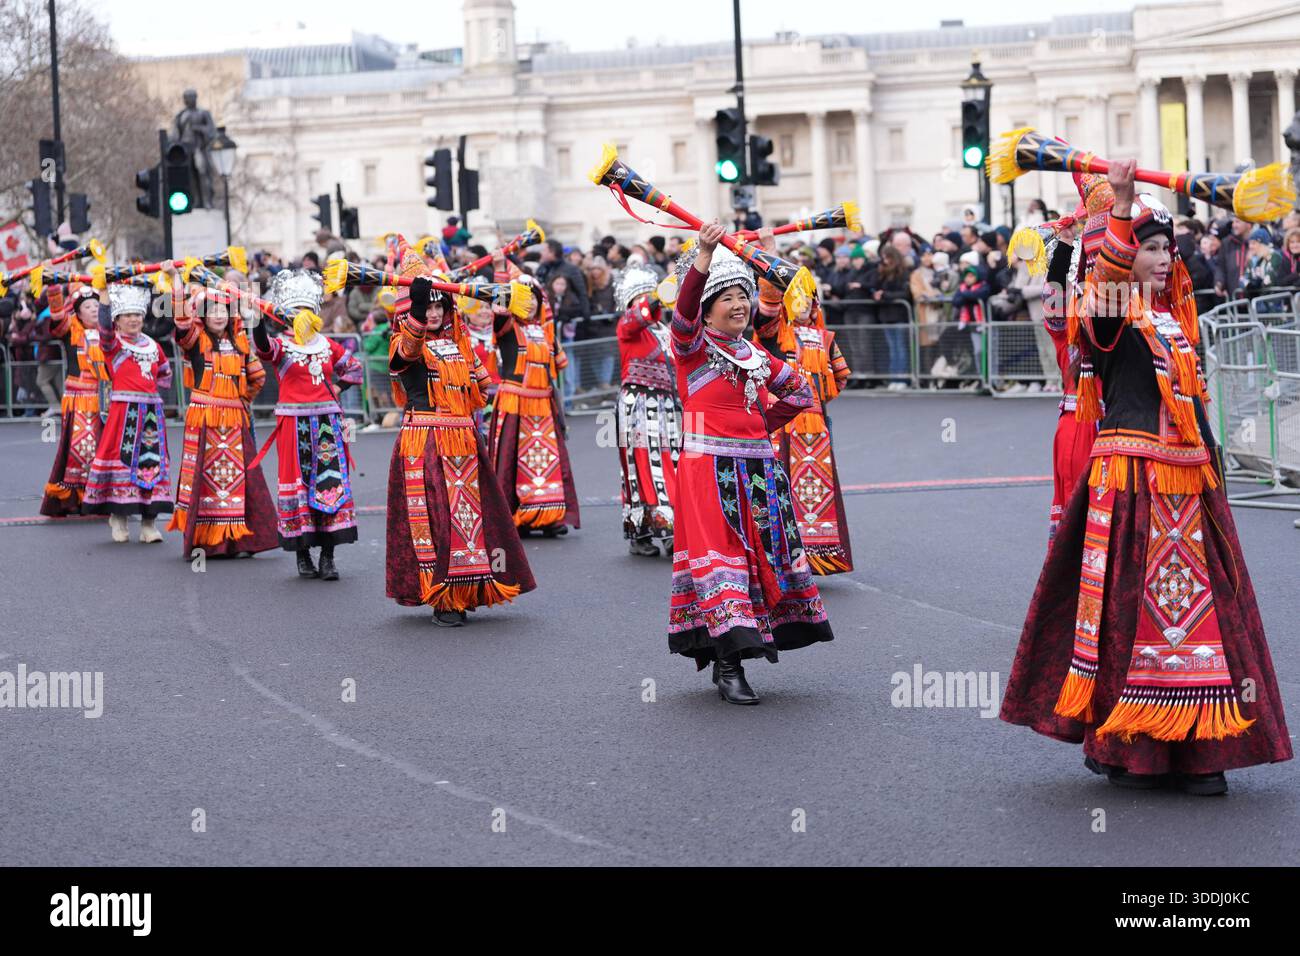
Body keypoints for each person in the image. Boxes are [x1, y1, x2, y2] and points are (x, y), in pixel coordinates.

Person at [1001, 159, 1292, 795]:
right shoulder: (1108, 313)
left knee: (1202, 612)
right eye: (1149, 248)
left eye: (1167, 247)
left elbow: (1195, 406)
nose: (1162, 257)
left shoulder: (1176, 321)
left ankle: (1199, 749)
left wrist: (1213, 469)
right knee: (1130, 612)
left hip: (1188, 485)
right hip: (1131, 480)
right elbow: (1100, 286)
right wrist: (1126, 207)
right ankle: (1128, 743)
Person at [666, 221, 833, 705]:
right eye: (728, 299)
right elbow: (681, 315)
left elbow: (801, 391)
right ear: (707, 310)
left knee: (759, 560)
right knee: (724, 563)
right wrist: (703, 256)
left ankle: (746, 648)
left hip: (759, 472)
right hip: (708, 473)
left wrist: (761, 424)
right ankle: (728, 665)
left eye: (743, 296)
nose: (739, 305)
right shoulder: (691, 349)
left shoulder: (753, 352)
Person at [385, 245, 536, 626]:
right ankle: (443, 598)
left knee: (470, 517)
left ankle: (469, 588)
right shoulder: (404, 342)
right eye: (426, 307)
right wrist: (416, 316)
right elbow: (408, 351)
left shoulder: (459, 345)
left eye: (439, 306)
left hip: (465, 443)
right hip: (426, 443)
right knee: (436, 520)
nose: (434, 312)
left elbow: (481, 391)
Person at [249, 269, 364, 580]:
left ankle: (328, 557)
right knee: (300, 485)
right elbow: (261, 345)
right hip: (294, 425)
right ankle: (303, 555)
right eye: (295, 312)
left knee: (329, 484)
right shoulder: (282, 346)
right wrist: (257, 311)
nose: (302, 316)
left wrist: (337, 388)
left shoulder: (328, 345)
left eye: (307, 311)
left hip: (327, 424)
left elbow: (353, 367)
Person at [752, 231, 853, 575]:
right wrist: (770, 252)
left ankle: (814, 558)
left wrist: (815, 405)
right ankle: (779, 559)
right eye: (798, 298)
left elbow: (839, 377)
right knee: (778, 491)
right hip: (781, 426)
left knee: (813, 493)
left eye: (810, 298)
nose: (805, 304)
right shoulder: (775, 332)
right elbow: (767, 305)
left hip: (816, 430)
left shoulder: (825, 338)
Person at [168, 278, 279, 558]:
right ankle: (209, 542)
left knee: (241, 479)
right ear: (202, 316)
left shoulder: (240, 343)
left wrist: (242, 400)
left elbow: (258, 376)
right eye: (212, 310)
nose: (218, 315)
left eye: (223, 310)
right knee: (205, 482)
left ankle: (240, 540)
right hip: (205, 420)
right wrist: (175, 283)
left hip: (235, 420)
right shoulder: (195, 342)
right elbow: (181, 324)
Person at [488, 253, 580, 536]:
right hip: (515, 404)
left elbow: (555, 370)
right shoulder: (507, 328)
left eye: (533, 299)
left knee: (549, 463)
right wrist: (500, 271)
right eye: (523, 299)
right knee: (512, 463)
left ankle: (551, 517)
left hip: (543, 406)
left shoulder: (545, 331)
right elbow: (499, 308)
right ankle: (518, 516)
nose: (529, 304)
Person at [81, 281, 174, 542]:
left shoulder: (153, 346)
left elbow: (165, 374)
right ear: (117, 321)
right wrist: (103, 296)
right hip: (124, 415)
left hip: (152, 415)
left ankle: (148, 523)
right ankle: (119, 517)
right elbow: (104, 330)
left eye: (137, 315)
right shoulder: (114, 344)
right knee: (121, 461)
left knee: (151, 463)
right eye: (127, 316)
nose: (133, 320)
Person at [614, 265, 680, 557]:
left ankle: (670, 527)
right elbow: (638, 315)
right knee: (644, 468)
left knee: (672, 464)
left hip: (668, 403)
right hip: (638, 403)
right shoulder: (627, 325)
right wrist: (656, 296)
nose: (647, 302)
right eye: (640, 297)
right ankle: (648, 533)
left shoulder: (665, 331)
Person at [39, 282, 107, 516]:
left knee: (106, 449)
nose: (94, 309)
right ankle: (76, 498)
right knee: (82, 448)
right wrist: (53, 287)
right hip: (80, 399)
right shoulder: (71, 330)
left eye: (97, 305)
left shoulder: (108, 332)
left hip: (106, 398)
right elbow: (57, 319)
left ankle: (103, 496)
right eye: (88, 306)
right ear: (77, 312)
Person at [872, 244, 913, 390]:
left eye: (887, 257)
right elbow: (874, 285)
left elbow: (905, 294)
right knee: (892, 349)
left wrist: (885, 295)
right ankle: (894, 377)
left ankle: (902, 378)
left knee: (900, 348)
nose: (884, 260)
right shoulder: (882, 273)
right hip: (886, 315)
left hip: (899, 314)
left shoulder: (903, 273)